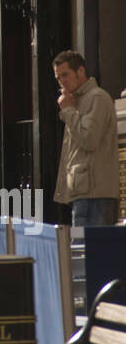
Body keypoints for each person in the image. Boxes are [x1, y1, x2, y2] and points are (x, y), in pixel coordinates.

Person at [53, 50, 120, 227]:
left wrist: (67, 111)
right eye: (58, 77)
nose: (62, 81)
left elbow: (89, 140)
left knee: (91, 250)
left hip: (95, 195)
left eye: (65, 75)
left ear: (81, 71)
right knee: (81, 250)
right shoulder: (76, 100)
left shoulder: (96, 97)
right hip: (82, 192)